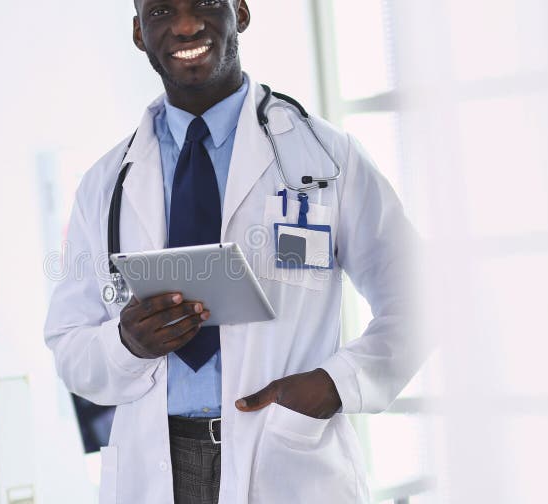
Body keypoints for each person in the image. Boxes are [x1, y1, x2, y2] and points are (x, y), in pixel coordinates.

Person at [44, 0, 423, 502]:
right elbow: (69, 345)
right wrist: (126, 344)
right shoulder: (105, 184)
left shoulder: (327, 158)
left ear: (240, 12)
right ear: (139, 33)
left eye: (204, 3)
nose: (184, 25)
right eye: (160, 11)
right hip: (157, 465)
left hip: (283, 452)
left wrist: (336, 384)